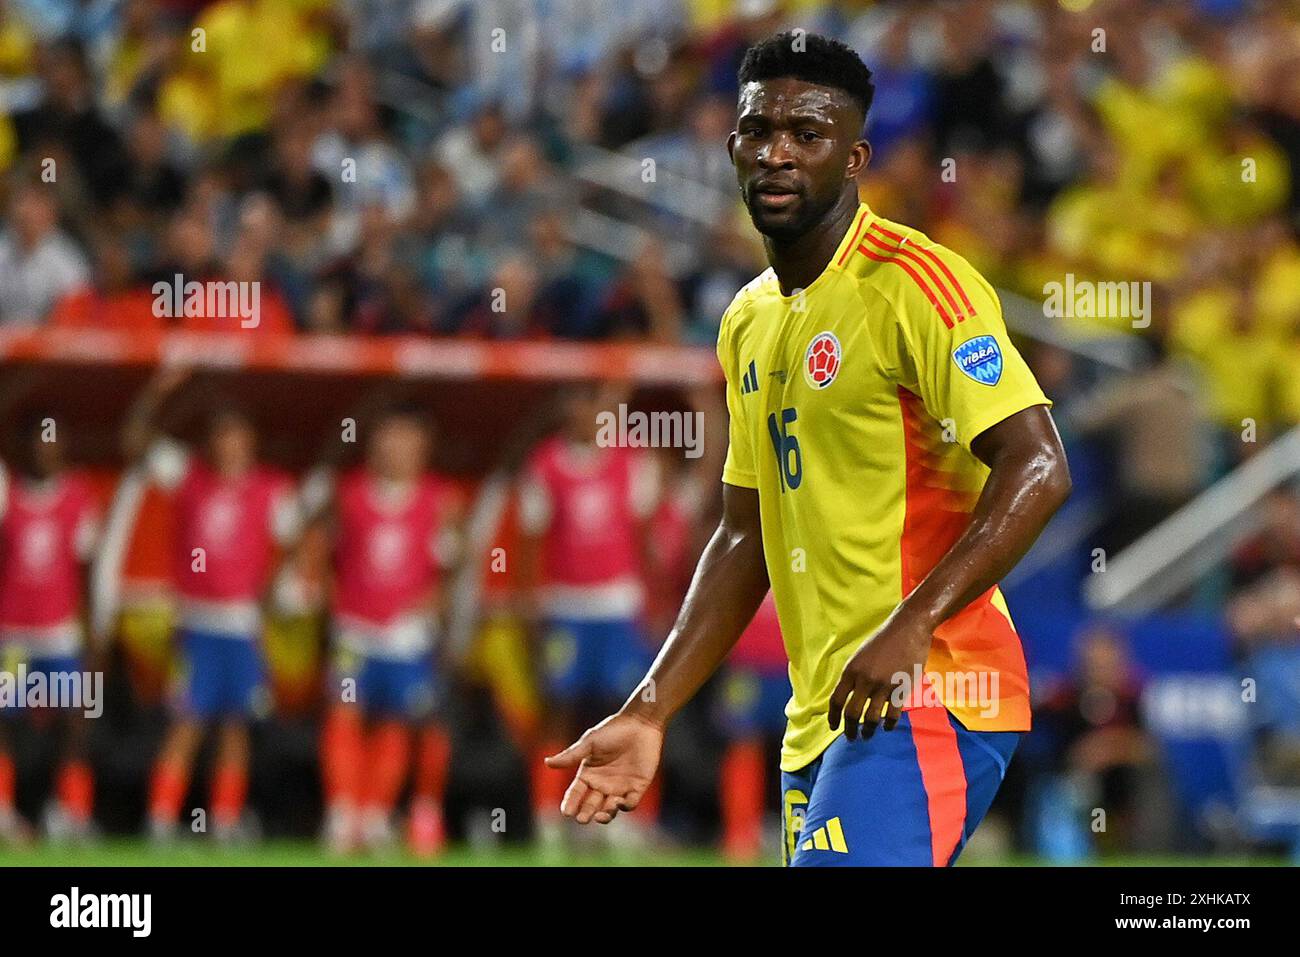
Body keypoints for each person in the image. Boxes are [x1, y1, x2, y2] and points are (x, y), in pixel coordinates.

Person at [546, 32, 1072, 866]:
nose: (778, 154)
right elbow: (741, 533)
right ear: (732, 147)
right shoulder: (747, 321)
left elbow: (1040, 465)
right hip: (822, 712)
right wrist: (649, 707)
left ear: (855, 156)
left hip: (934, 683)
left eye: (807, 135)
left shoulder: (915, 285)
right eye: (760, 133)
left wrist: (913, 623)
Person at [122, 367, 300, 842]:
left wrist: (273, 594)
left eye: (237, 435)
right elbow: (135, 438)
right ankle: (160, 820)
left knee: (237, 726)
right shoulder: (191, 477)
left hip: (242, 626)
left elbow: (291, 540)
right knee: (188, 720)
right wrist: (161, 389)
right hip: (197, 623)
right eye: (221, 435)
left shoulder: (270, 488)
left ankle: (223, 821)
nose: (229, 445)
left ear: (251, 441)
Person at [309, 404, 460, 856]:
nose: (394, 450)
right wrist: (326, 597)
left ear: (422, 448)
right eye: (387, 439)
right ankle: (341, 814)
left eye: (405, 440)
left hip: (405, 636)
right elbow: (319, 551)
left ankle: (375, 816)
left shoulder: (440, 500)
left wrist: (435, 607)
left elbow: (450, 570)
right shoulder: (349, 494)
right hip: (355, 630)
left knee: (397, 723)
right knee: (344, 713)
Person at [518, 383, 661, 848]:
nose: (584, 412)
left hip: (619, 604)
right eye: (575, 401)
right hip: (566, 606)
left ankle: (623, 817)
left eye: (593, 402)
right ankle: (548, 814)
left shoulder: (633, 460)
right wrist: (531, 602)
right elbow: (532, 540)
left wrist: (653, 601)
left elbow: (645, 537)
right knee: (558, 708)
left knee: (625, 707)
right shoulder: (545, 464)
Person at [0, 411, 101, 843]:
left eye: (53, 437)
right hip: (13, 633)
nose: (45, 446)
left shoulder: (80, 496)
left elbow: (90, 567)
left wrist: (94, 626)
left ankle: (70, 812)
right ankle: (4, 813)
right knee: (5, 721)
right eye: (38, 438)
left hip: (61, 632)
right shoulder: (7, 493)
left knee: (78, 718)